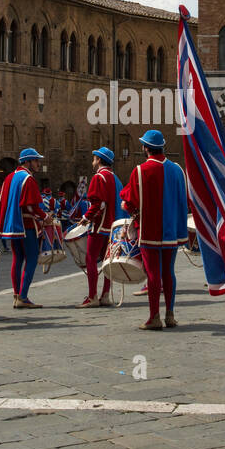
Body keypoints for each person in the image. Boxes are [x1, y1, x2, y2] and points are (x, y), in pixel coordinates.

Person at [120, 130, 189, 329]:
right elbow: (183, 200)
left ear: (145, 147)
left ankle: (154, 317)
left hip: (149, 230)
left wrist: (127, 207)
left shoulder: (140, 170)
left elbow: (130, 200)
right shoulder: (177, 170)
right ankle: (170, 315)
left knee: (153, 274)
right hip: (172, 231)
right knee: (169, 272)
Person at [0, 148, 47, 309]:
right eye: (36, 160)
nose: (39, 163)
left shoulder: (9, 177)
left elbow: (0, 202)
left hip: (13, 226)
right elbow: (31, 207)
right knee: (32, 259)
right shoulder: (28, 179)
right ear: (27, 162)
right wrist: (46, 217)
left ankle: (16, 295)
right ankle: (23, 297)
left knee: (17, 260)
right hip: (27, 226)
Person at [80, 146, 121, 307]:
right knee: (107, 261)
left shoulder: (98, 177)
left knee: (90, 259)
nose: (93, 160)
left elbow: (99, 204)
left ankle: (92, 297)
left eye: (94, 158)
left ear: (98, 160)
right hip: (110, 226)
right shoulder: (113, 177)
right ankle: (105, 295)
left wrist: (85, 217)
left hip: (99, 225)